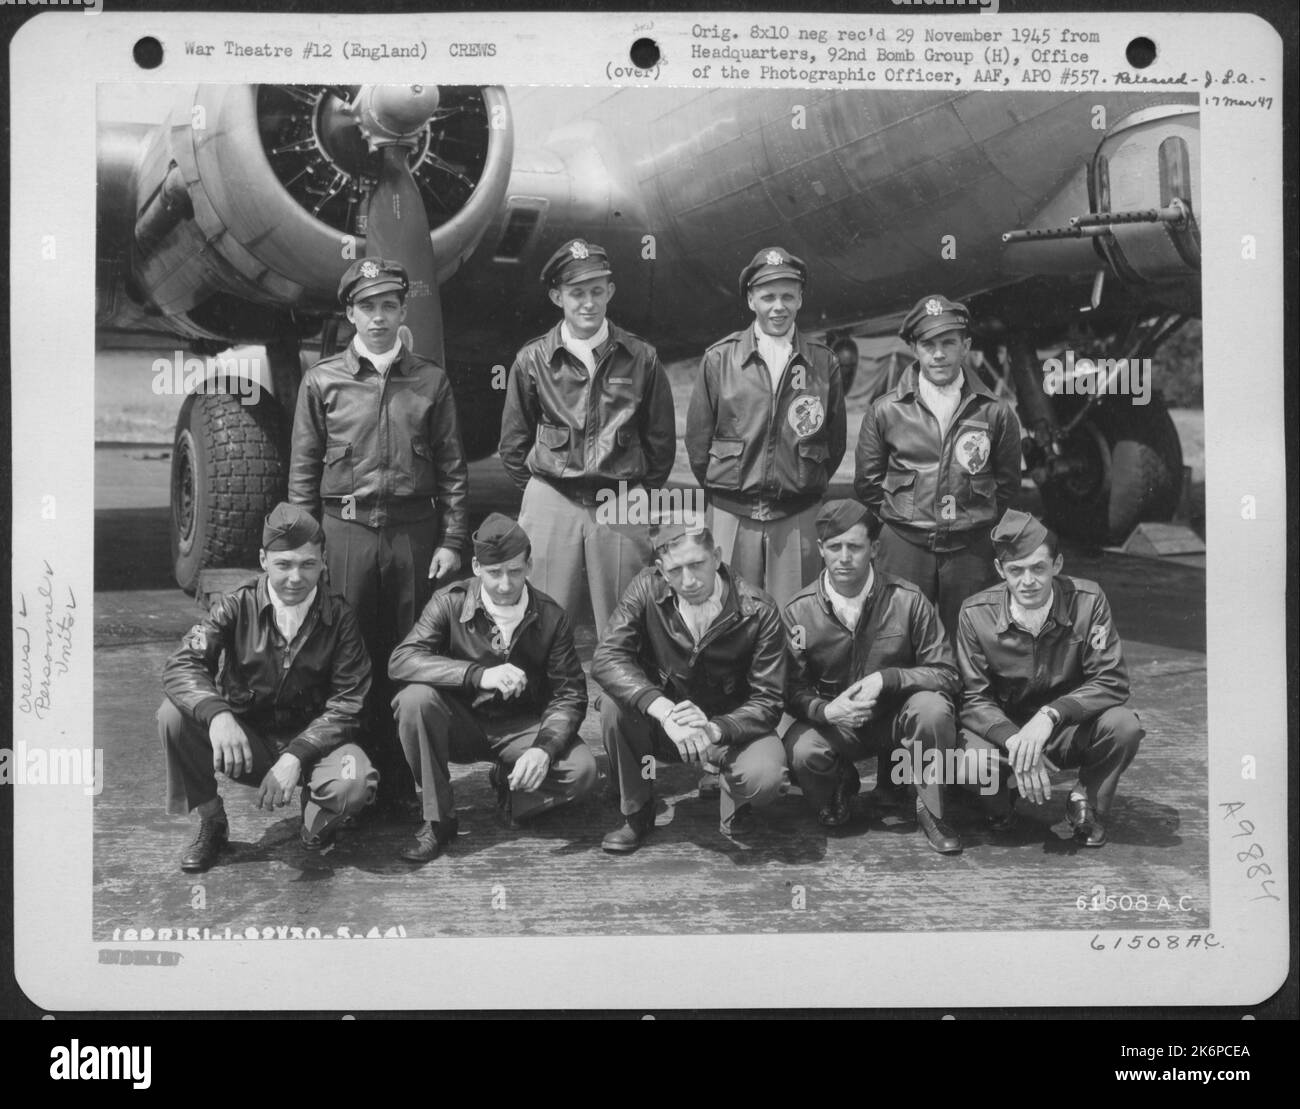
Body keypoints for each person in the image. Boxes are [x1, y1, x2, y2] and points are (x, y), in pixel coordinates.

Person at [288, 257, 469, 814]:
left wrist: (451, 540)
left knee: (408, 654)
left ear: (401, 311)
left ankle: (397, 780)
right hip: (346, 532)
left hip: (413, 534)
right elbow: (302, 472)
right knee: (349, 654)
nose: (379, 318)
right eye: (368, 307)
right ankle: (347, 775)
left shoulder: (430, 380)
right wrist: (304, 549)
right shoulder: (323, 381)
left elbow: (453, 469)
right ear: (350, 313)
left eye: (389, 306)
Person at [158, 503, 378, 872]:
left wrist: (296, 755)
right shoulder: (236, 604)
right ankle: (213, 821)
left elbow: (350, 701)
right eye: (284, 564)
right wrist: (218, 716)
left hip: (316, 746)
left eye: (308, 564)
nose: (296, 577)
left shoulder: (340, 617)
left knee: (354, 782)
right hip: (249, 744)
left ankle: (316, 820)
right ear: (263, 560)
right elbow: (183, 663)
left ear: (323, 562)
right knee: (172, 716)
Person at [388, 513, 597, 863]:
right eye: (494, 572)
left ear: (529, 565)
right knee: (414, 700)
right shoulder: (449, 601)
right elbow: (403, 659)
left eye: (515, 571)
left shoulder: (551, 616)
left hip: (521, 728)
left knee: (582, 771)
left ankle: (510, 786)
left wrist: (544, 749)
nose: (504, 584)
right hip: (462, 722)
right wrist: (477, 675)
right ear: (475, 566)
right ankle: (438, 820)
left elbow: (570, 694)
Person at [498, 238, 677, 634]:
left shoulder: (641, 357)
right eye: (576, 293)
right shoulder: (533, 359)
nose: (588, 303)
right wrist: (543, 489)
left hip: (620, 499)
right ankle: (548, 698)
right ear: (557, 296)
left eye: (597, 291)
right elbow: (513, 442)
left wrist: (638, 491)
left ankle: (620, 698)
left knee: (624, 620)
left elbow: (661, 441)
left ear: (610, 292)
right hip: (553, 495)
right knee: (540, 613)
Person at [590, 511, 788, 853]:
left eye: (697, 564)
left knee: (764, 778)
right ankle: (637, 810)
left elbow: (768, 700)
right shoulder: (646, 589)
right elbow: (607, 657)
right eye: (675, 570)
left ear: (717, 557)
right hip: (665, 728)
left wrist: (715, 730)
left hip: (729, 731)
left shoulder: (759, 610)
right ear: (661, 570)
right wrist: (665, 711)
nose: (688, 579)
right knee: (612, 705)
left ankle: (729, 790)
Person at [783, 500, 963, 853]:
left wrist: (890, 679)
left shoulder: (908, 601)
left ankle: (930, 806)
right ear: (821, 550)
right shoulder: (799, 611)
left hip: (898, 719)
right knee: (802, 750)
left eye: (855, 546)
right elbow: (790, 689)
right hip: (840, 725)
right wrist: (825, 711)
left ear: (875, 549)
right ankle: (840, 785)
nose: (844, 557)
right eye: (834, 547)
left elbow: (947, 674)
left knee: (933, 710)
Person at [955, 509, 1143, 846]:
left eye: (1038, 568)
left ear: (1057, 565)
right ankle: (1001, 801)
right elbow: (972, 697)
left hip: (1064, 729)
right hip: (1006, 735)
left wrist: (1050, 714)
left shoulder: (1088, 601)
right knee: (970, 760)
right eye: (1016, 570)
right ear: (1000, 570)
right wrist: (1015, 740)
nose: (1028, 581)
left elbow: (1111, 678)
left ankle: (1085, 801)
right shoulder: (975, 613)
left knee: (1124, 725)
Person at [853, 294, 1021, 642]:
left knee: (971, 641)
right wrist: (905, 520)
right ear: (915, 349)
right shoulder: (887, 411)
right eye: (928, 344)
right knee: (896, 638)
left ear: (966, 346)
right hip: (905, 544)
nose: (939, 354)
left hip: (970, 546)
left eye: (949, 343)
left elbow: (1007, 484)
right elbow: (867, 483)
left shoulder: (995, 412)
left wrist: (973, 520)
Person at [685, 246, 846, 609]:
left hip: (795, 515)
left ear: (801, 299)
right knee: (728, 614)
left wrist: (799, 479)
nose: (778, 306)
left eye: (788, 296)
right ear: (750, 299)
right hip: (732, 512)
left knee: (793, 619)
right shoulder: (719, 359)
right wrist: (729, 488)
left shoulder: (823, 363)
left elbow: (833, 445)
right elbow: (698, 442)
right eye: (768, 296)